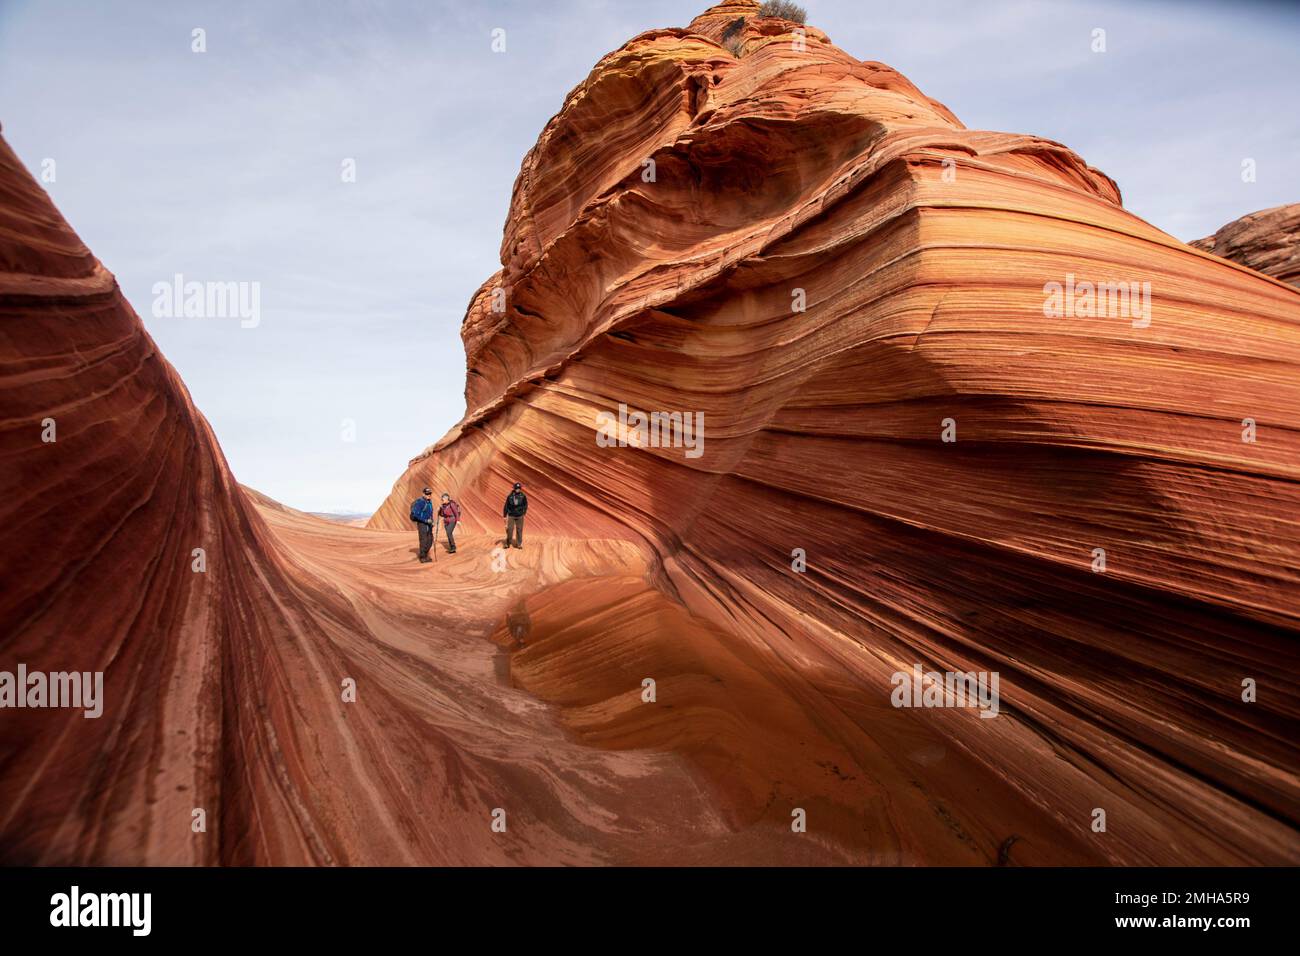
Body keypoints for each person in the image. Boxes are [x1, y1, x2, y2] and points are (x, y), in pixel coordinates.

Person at [409, 487, 435, 563]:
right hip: (422, 524)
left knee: (430, 540)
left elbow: (430, 513)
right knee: (423, 540)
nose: (429, 495)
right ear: (423, 494)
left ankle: (425, 554)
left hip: (429, 524)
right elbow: (416, 514)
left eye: (430, 494)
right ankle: (423, 557)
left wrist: (432, 521)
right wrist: (425, 520)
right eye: (427, 494)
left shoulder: (429, 502)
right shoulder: (420, 502)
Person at [503, 481, 527, 549]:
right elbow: (506, 506)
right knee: (510, 529)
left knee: (519, 530)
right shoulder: (510, 496)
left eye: (519, 488)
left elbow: (525, 504)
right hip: (511, 515)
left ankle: (519, 544)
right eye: (516, 488)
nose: (518, 489)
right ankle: (507, 543)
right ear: (514, 488)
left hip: (520, 516)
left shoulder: (523, 496)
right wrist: (504, 515)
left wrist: (524, 512)